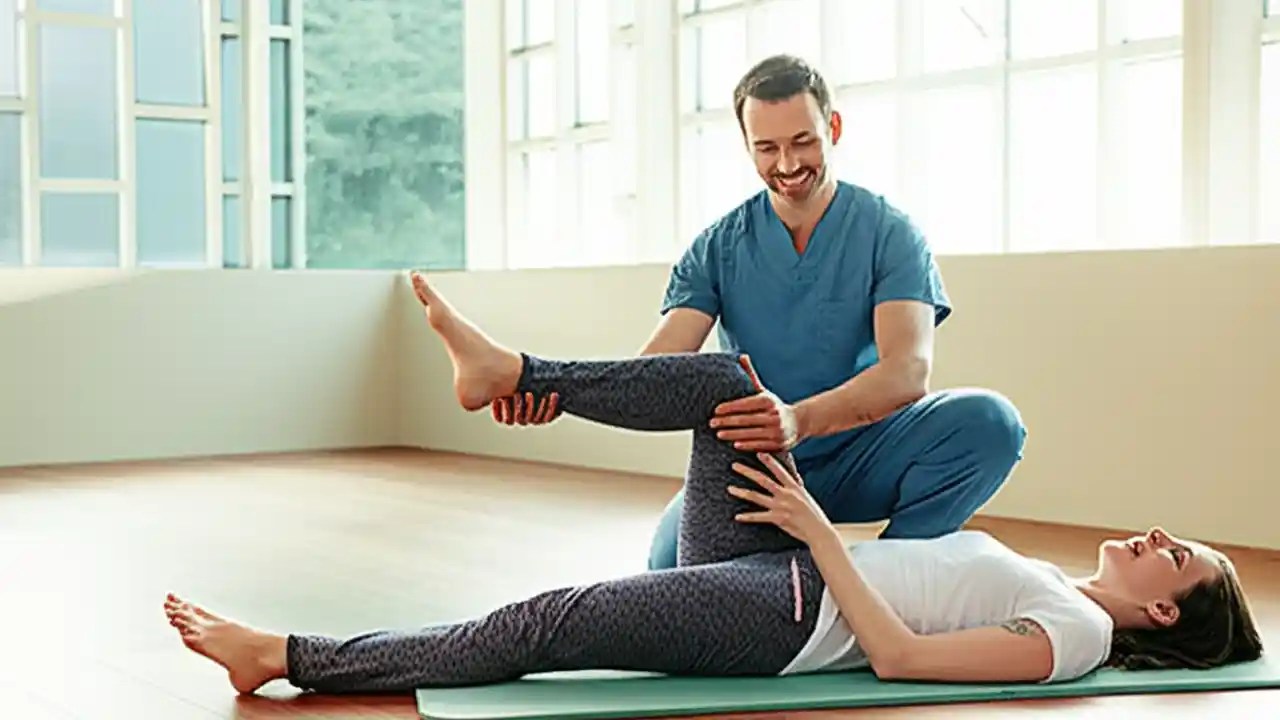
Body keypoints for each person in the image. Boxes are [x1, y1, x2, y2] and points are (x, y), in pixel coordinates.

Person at [162, 273, 1262, 696]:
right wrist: (801, 530)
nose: (1160, 533)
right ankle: (515, 377)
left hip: (784, 611)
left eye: (1179, 553)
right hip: (775, 570)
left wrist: (811, 529)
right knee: (726, 383)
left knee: (552, 621)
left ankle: (292, 658)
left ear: (1163, 608)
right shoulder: (1050, 581)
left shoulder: (1071, 636)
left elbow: (901, 659)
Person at [486, 54, 1029, 571]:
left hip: (865, 450)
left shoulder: (890, 233)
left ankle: (889, 573)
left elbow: (907, 371)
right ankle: (789, 567)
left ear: (833, 128)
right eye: (767, 148)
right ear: (746, 146)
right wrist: (555, 393)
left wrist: (799, 419)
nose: (788, 164)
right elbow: (654, 371)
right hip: (755, 461)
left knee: (991, 423)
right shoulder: (719, 247)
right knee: (667, 566)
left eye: (802, 142)